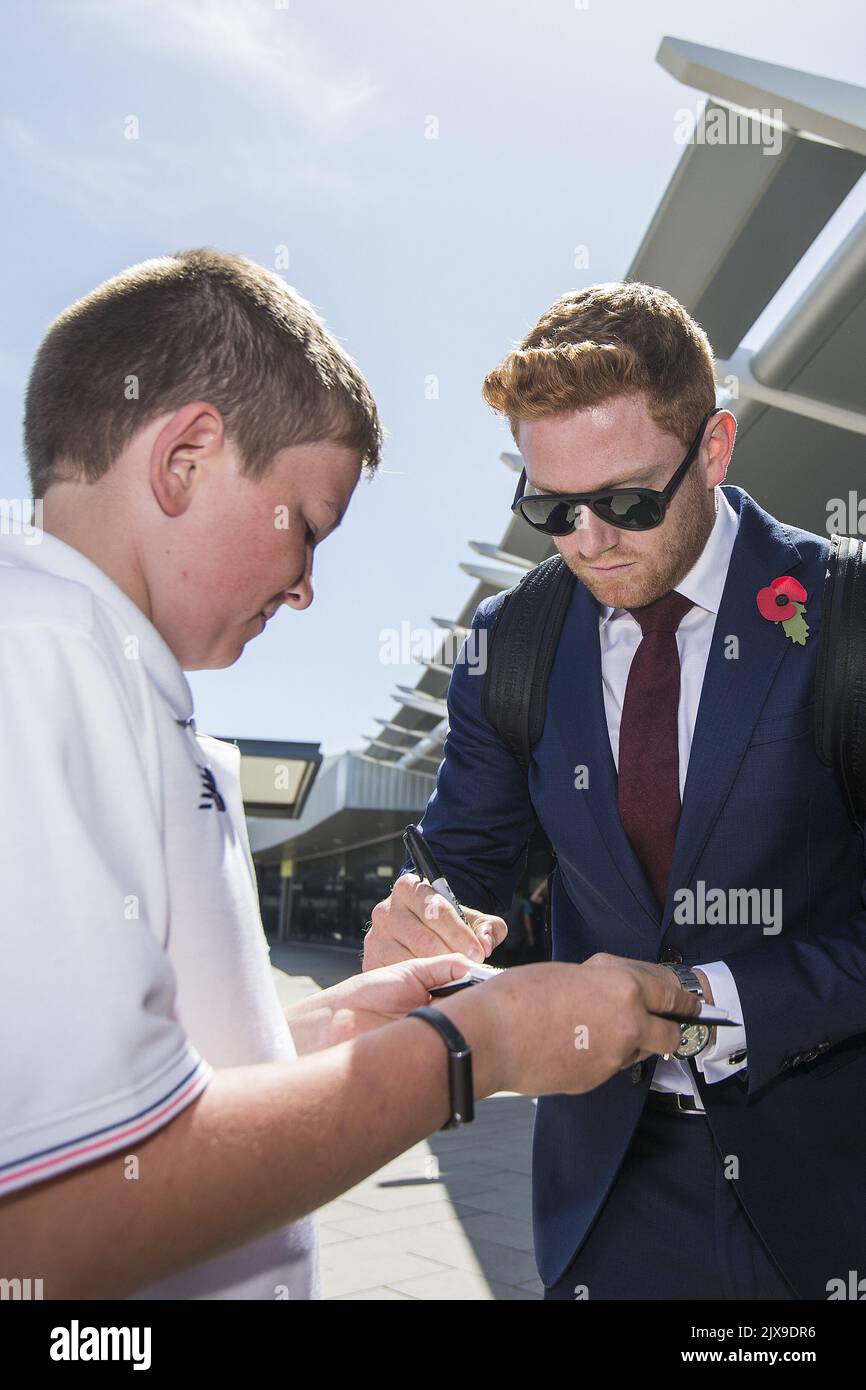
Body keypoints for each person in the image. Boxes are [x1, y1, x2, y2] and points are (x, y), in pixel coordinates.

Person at [0, 251, 695, 1300]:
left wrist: (327, 1033)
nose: (307, 587)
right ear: (184, 457)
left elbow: (131, 1089)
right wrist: (476, 1045)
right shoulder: (41, 660)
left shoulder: (100, 670)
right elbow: (57, 1218)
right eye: (306, 529)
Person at [365, 281, 866, 1301]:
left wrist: (694, 1008)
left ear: (714, 450)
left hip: (826, 1186)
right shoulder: (510, 643)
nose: (589, 539)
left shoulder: (843, 614)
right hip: (599, 1200)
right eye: (550, 507)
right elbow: (468, 868)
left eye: (629, 501)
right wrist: (426, 925)